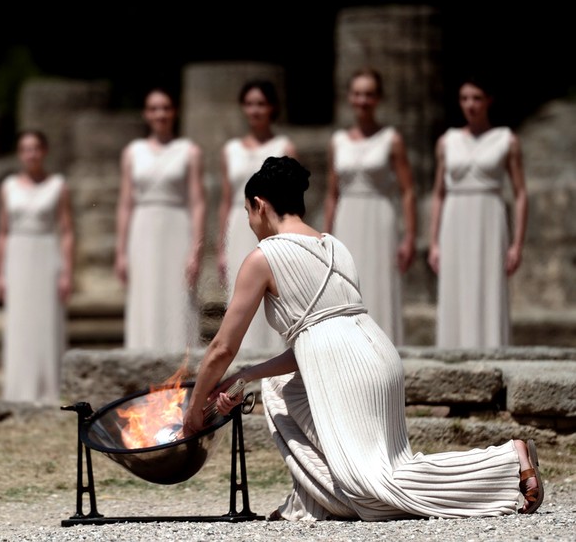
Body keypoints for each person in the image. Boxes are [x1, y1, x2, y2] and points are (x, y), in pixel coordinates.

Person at [184, 156, 542, 520]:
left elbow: (222, 348)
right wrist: (246, 375)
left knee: (376, 490)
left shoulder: (263, 258)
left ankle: (506, 460)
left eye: (247, 212)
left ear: (259, 205)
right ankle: (309, 502)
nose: (249, 223)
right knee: (280, 388)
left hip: (345, 369)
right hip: (377, 355)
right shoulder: (336, 246)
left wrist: (193, 412)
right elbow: (310, 345)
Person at [428, 78, 527, 349]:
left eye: (476, 98)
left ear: (488, 101)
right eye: (465, 98)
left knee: (489, 286)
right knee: (455, 288)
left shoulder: (506, 139)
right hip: (454, 220)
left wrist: (517, 244)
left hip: (490, 219)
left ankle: (493, 351)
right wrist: (434, 242)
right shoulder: (447, 141)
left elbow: (520, 193)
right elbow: (439, 193)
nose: (470, 105)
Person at [323, 68, 416, 345]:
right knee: (346, 286)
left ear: (378, 98)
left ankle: (383, 351)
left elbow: (408, 190)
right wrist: (324, 237)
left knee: (379, 285)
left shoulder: (391, 139)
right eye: (358, 94)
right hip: (347, 217)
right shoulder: (337, 142)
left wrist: (409, 236)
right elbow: (332, 194)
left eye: (369, 94)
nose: (363, 100)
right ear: (350, 98)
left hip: (379, 217)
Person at [115, 88, 205, 352]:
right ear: (145, 114)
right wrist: (120, 251)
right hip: (142, 229)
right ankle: (142, 373)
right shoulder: (133, 152)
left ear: (174, 112)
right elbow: (125, 203)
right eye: (154, 109)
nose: (160, 114)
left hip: (177, 227)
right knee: (144, 297)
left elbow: (198, 202)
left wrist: (196, 250)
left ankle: (181, 372)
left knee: (177, 297)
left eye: (165, 108)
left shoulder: (189, 151)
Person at [0, 130, 74, 404]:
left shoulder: (57, 185)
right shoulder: (7, 187)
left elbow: (67, 232)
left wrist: (67, 272)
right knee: (20, 322)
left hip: (46, 254)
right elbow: (2, 232)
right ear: (19, 154)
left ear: (45, 151)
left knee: (47, 320)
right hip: (17, 256)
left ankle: (48, 388)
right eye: (26, 149)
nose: (31, 154)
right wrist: (0, 273)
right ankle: (19, 389)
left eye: (36, 148)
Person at [218, 79, 297, 352]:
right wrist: (221, 247)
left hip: (272, 228)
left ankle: (275, 355)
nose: (255, 110)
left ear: (272, 107)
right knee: (241, 292)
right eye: (250, 104)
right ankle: (241, 356)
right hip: (239, 227)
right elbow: (227, 200)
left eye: (261, 104)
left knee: (275, 289)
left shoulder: (285, 145)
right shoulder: (230, 150)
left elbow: (293, 198)